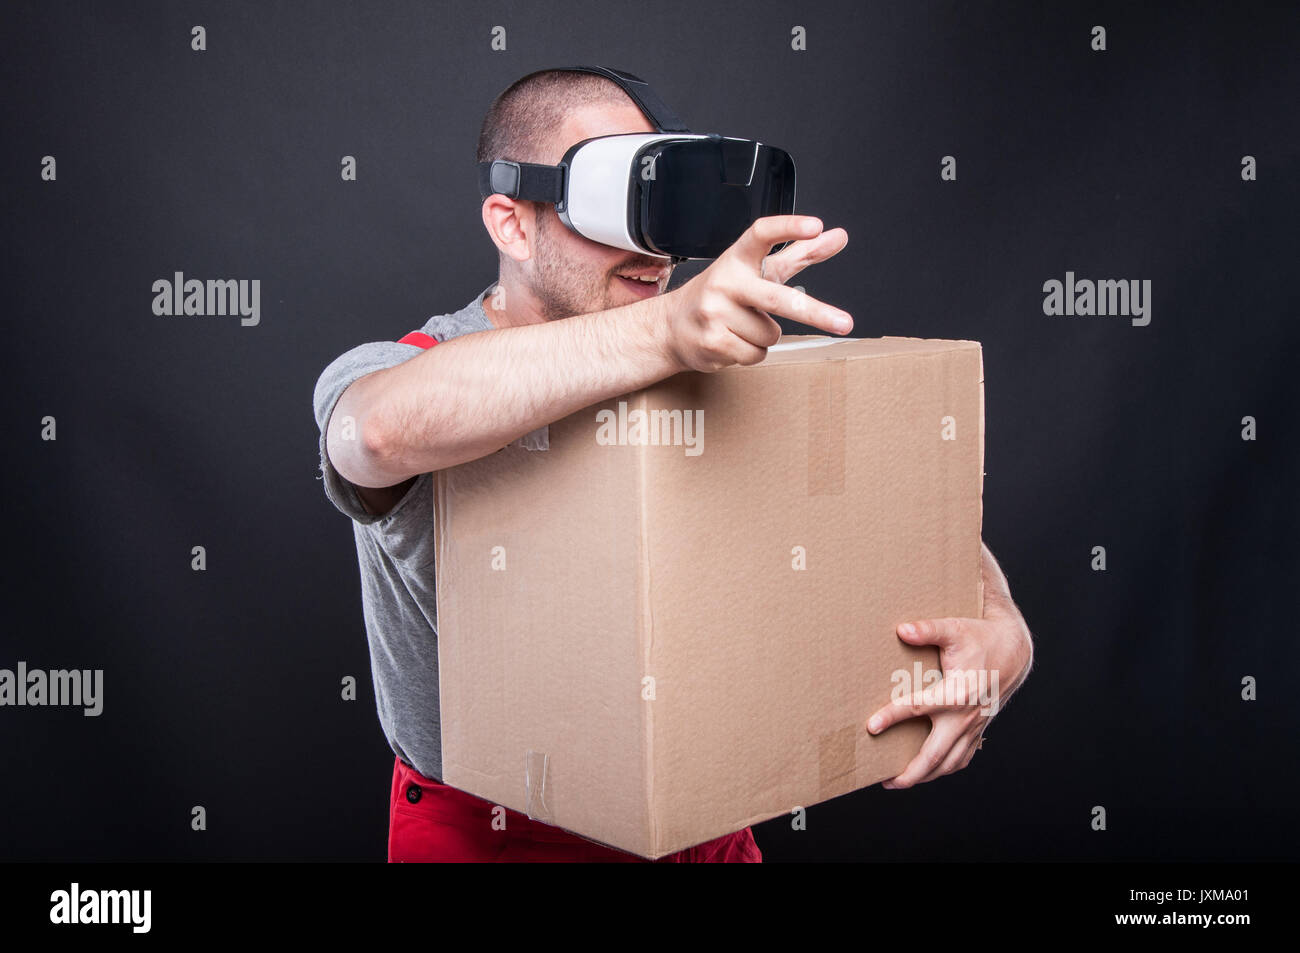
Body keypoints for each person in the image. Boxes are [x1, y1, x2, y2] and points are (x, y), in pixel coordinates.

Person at [312, 68, 1034, 862]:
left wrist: (1002, 625)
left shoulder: (700, 350)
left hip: (702, 821)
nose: (652, 252)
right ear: (512, 224)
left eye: (657, 206)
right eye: (610, 203)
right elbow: (371, 435)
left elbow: (888, 504)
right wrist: (666, 331)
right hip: (494, 836)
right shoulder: (411, 369)